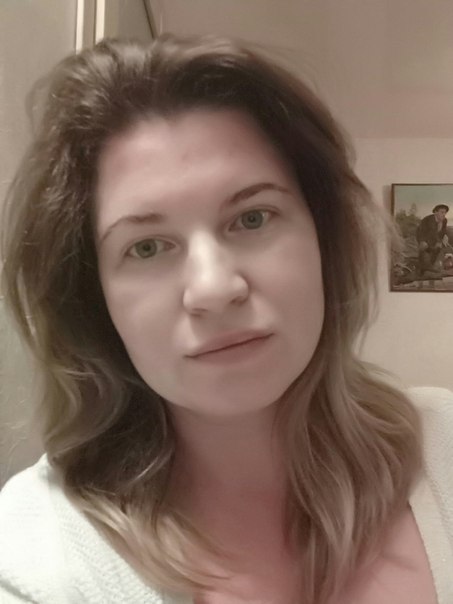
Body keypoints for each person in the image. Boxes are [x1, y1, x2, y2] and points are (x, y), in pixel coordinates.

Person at [0, 34, 452, 604]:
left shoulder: (444, 445)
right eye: (146, 247)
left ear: (324, 240)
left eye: (253, 217)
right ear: (94, 301)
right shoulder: (37, 557)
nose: (214, 289)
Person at [416, 204, 450, 276]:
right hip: (423, 238)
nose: (444, 214)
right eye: (442, 212)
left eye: (445, 212)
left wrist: (444, 237)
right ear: (435, 212)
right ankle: (422, 269)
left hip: (434, 239)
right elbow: (427, 232)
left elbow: (443, 231)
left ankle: (431, 267)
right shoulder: (428, 219)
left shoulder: (444, 220)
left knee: (438, 250)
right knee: (424, 248)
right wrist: (437, 242)